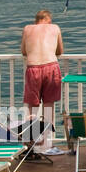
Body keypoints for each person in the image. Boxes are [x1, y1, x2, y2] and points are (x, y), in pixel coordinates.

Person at [20, 9, 65, 155]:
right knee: (49, 106)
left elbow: (23, 52)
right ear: (48, 20)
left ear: (36, 20)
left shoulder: (27, 28)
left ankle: (30, 143)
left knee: (32, 107)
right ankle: (47, 144)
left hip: (33, 68)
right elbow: (60, 51)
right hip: (51, 66)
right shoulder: (55, 28)